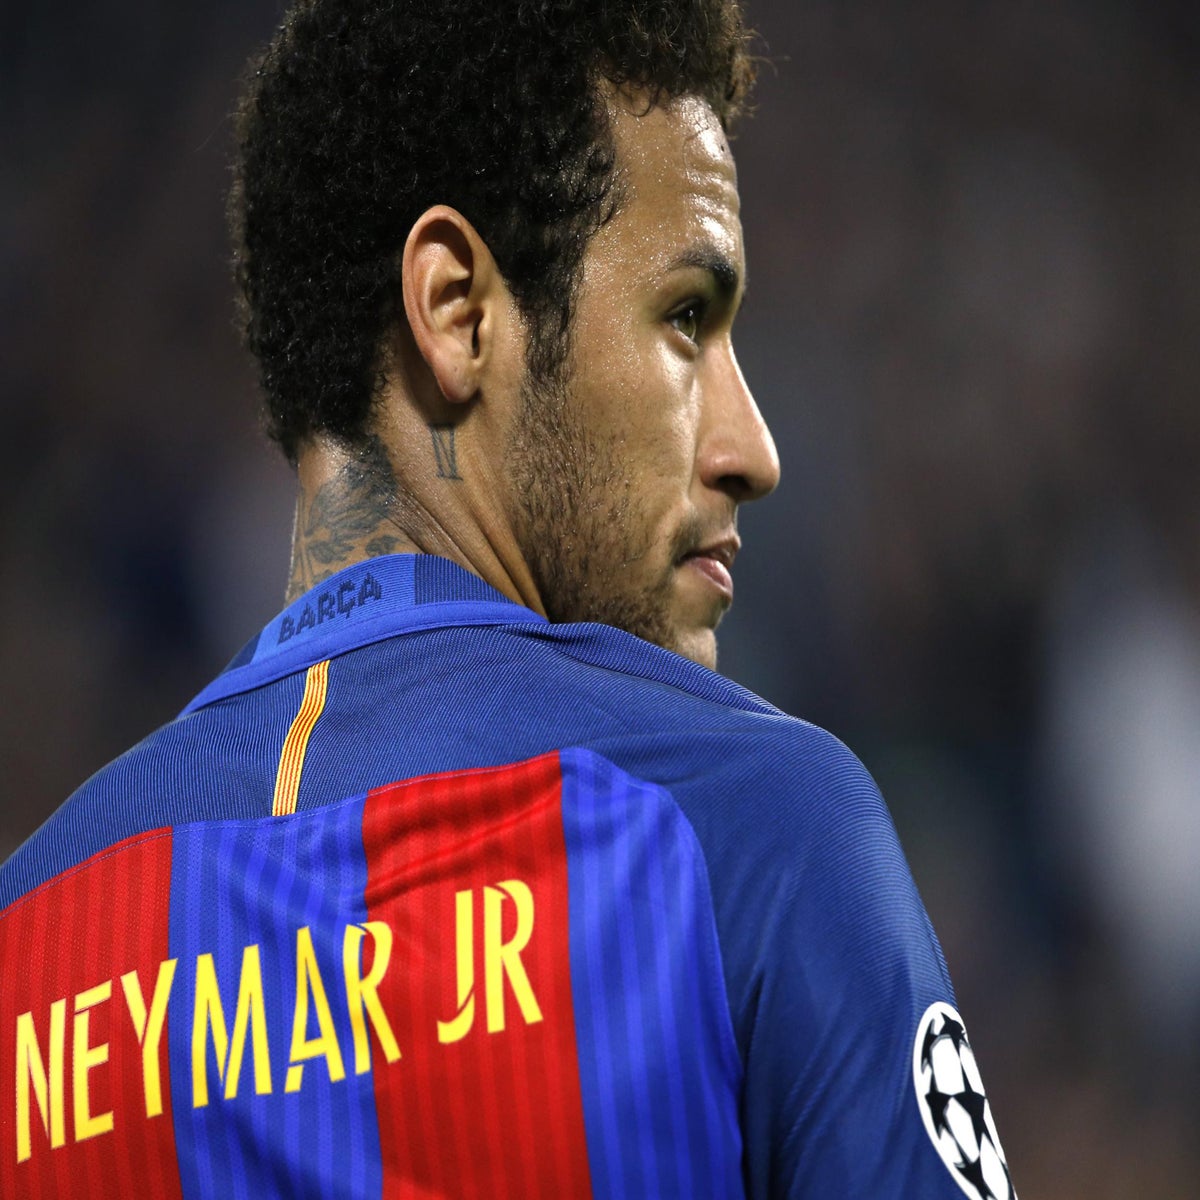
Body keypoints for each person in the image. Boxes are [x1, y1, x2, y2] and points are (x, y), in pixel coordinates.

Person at [0, 1, 1015, 1196]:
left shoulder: (29, 951)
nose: (754, 449)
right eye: (685, 320)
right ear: (456, 311)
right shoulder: (742, 829)